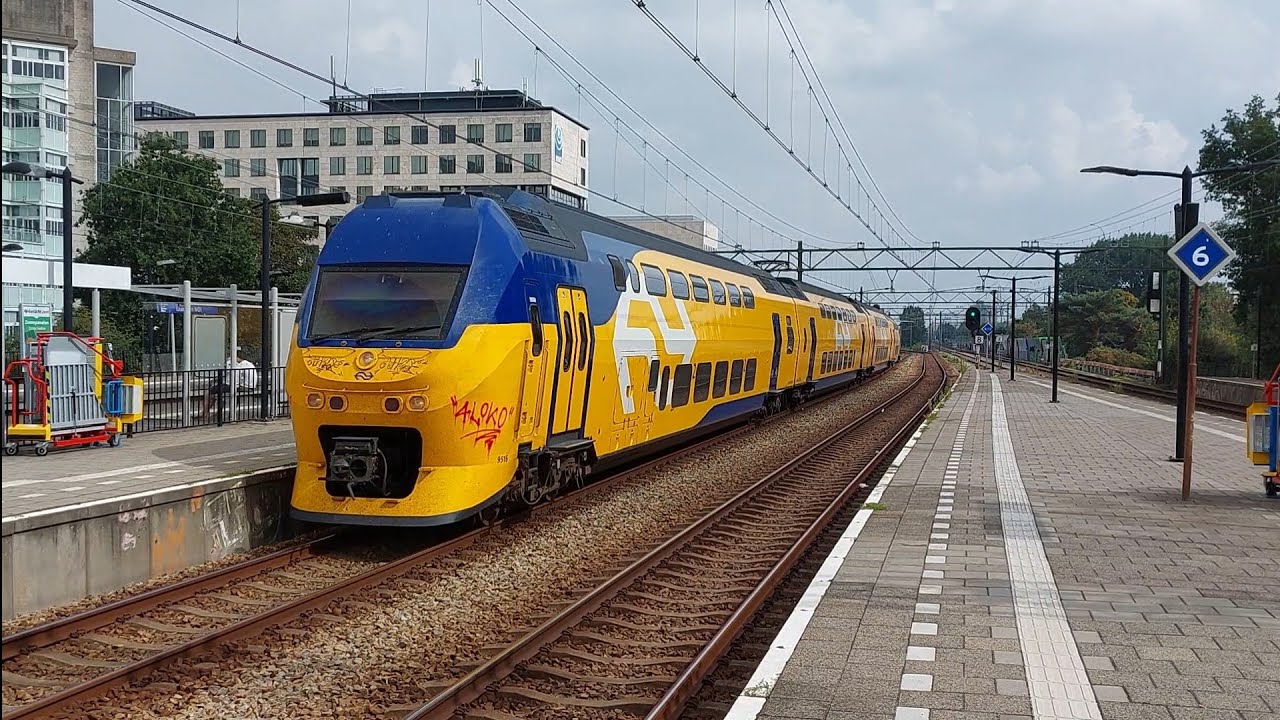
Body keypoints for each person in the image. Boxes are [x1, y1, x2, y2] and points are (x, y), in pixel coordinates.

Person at [200, 350, 259, 420]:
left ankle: (205, 414)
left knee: (210, 392)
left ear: (237, 357)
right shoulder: (249, 364)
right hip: (250, 386)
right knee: (221, 392)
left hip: (242, 387)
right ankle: (218, 413)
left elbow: (235, 381)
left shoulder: (239, 365)